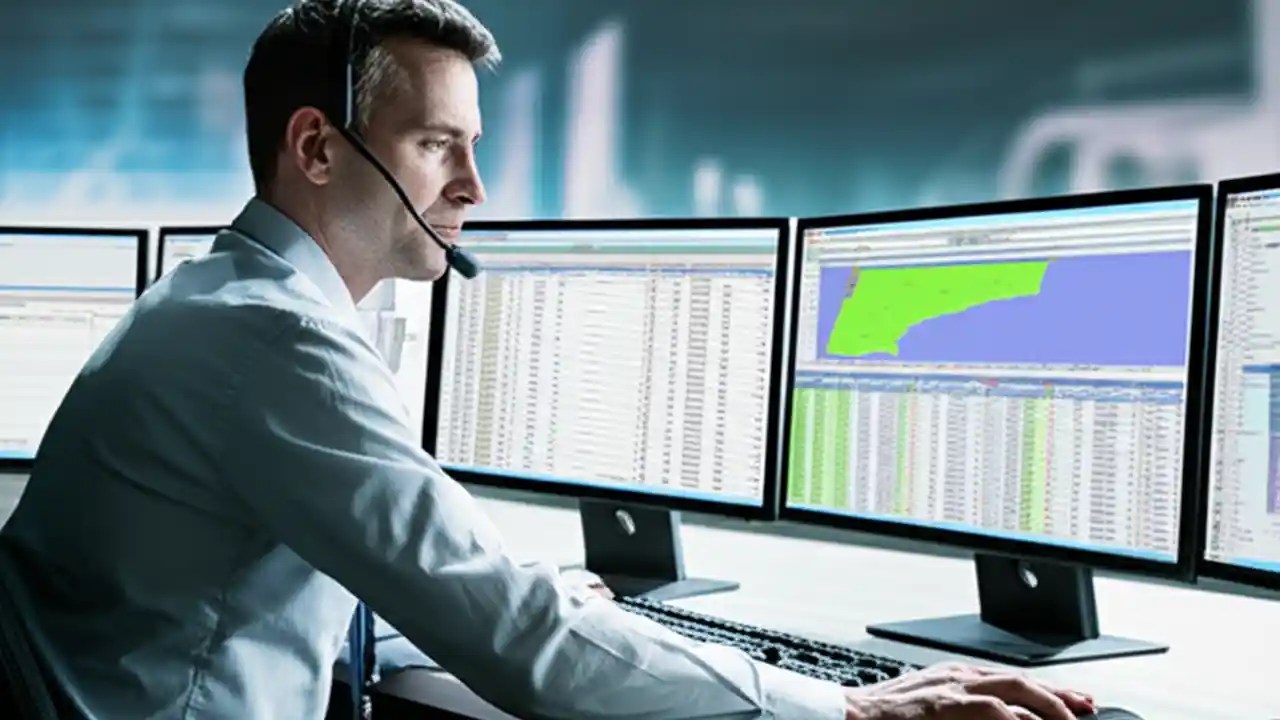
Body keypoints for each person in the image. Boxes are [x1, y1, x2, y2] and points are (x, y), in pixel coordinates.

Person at [0, 1, 1099, 718]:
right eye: (438, 145)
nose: (473, 188)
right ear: (316, 148)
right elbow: (524, 652)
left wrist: (520, 595)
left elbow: (395, 565)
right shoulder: (273, 340)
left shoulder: (218, 301)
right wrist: (852, 709)